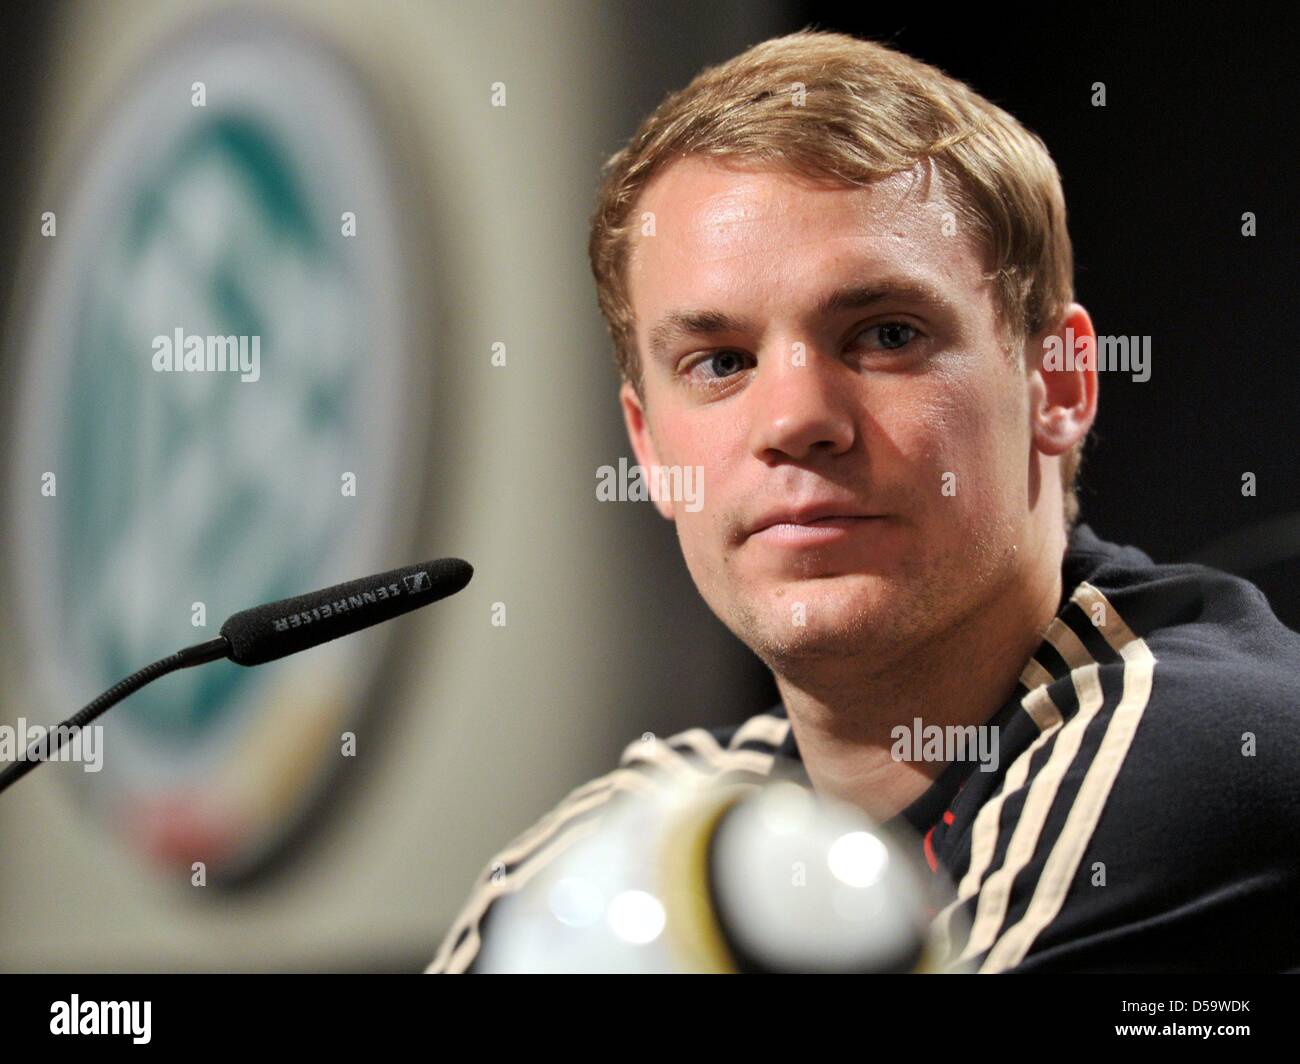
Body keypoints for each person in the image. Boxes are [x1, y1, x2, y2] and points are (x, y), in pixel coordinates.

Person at [427, 29, 1300, 974]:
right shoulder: (616, 842)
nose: (798, 419)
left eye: (886, 334)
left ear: (1058, 380)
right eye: (720, 363)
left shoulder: (1191, 746)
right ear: (646, 442)